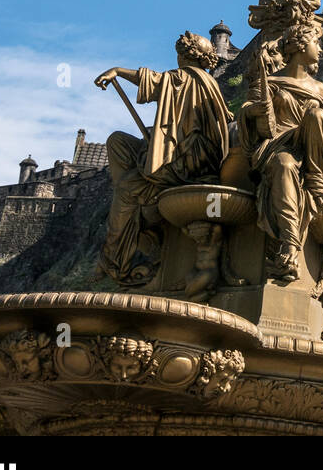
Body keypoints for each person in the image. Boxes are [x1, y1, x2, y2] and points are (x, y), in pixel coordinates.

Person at [94, 32, 230, 286]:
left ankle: (115, 260)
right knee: (118, 142)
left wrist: (116, 71)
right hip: (188, 155)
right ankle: (142, 204)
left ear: (184, 56)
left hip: (184, 165)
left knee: (125, 189)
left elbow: (153, 80)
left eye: (180, 53)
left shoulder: (183, 77)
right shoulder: (209, 83)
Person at [242, 12, 323, 284]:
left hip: (311, 150)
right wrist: (253, 112)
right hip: (277, 145)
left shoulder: (320, 88)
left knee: (317, 115)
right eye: (316, 43)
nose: (320, 49)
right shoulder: (270, 82)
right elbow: (248, 113)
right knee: (283, 165)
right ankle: (289, 243)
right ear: (299, 46)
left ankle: (317, 179)